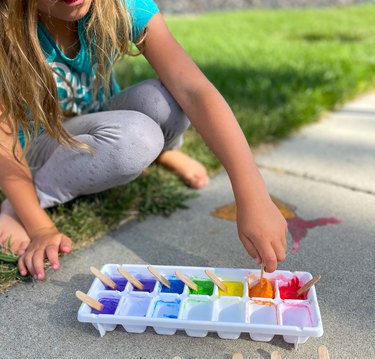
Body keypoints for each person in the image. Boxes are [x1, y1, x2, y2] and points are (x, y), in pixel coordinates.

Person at [0, 0, 287, 281]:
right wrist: (39, 228)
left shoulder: (118, 4)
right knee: (137, 138)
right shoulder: (6, 24)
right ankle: (24, 203)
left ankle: (164, 151)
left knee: (165, 99)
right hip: (33, 148)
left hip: (92, 122)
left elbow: (193, 90)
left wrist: (253, 194)